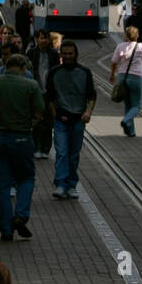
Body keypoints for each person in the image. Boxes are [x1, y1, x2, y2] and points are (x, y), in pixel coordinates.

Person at [0, 52, 44, 241]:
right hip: (22, 138)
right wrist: (29, 125)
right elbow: (39, 112)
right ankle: (21, 215)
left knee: (1, 184)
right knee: (26, 178)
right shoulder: (31, 85)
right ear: (23, 68)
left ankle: (6, 229)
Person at [46, 40, 95, 200]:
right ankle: (61, 184)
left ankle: (71, 184)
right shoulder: (54, 72)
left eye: (70, 53)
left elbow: (91, 95)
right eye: (64, 53)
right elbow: (49, 96)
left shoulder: (84, 72)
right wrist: (55, 115)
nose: (67, 56)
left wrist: (88, 112)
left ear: (75, 55)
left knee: (73, 154)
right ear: (60, 54)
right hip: (61, 118)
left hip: (78, 118)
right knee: (61, 152)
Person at [25, 27, 59, 159]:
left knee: (48, 121)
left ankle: (45, 148)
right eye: (41, 37)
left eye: (45, 38)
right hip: (35, 91)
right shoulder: (31, 53)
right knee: (36, 121)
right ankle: (35, 147)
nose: (43, 40)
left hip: (49, 92)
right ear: (37, 39)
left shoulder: (54, 54)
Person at [110, 25, 142, 138]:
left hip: (122, 76)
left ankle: (130, 131)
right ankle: (126, 120)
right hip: (136, 77)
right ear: (137, 35)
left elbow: (113, 62)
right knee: (137, 105)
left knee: (128, 104)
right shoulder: (141, 47)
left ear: (126, 35)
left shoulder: (120, 46)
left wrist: (112, 74)